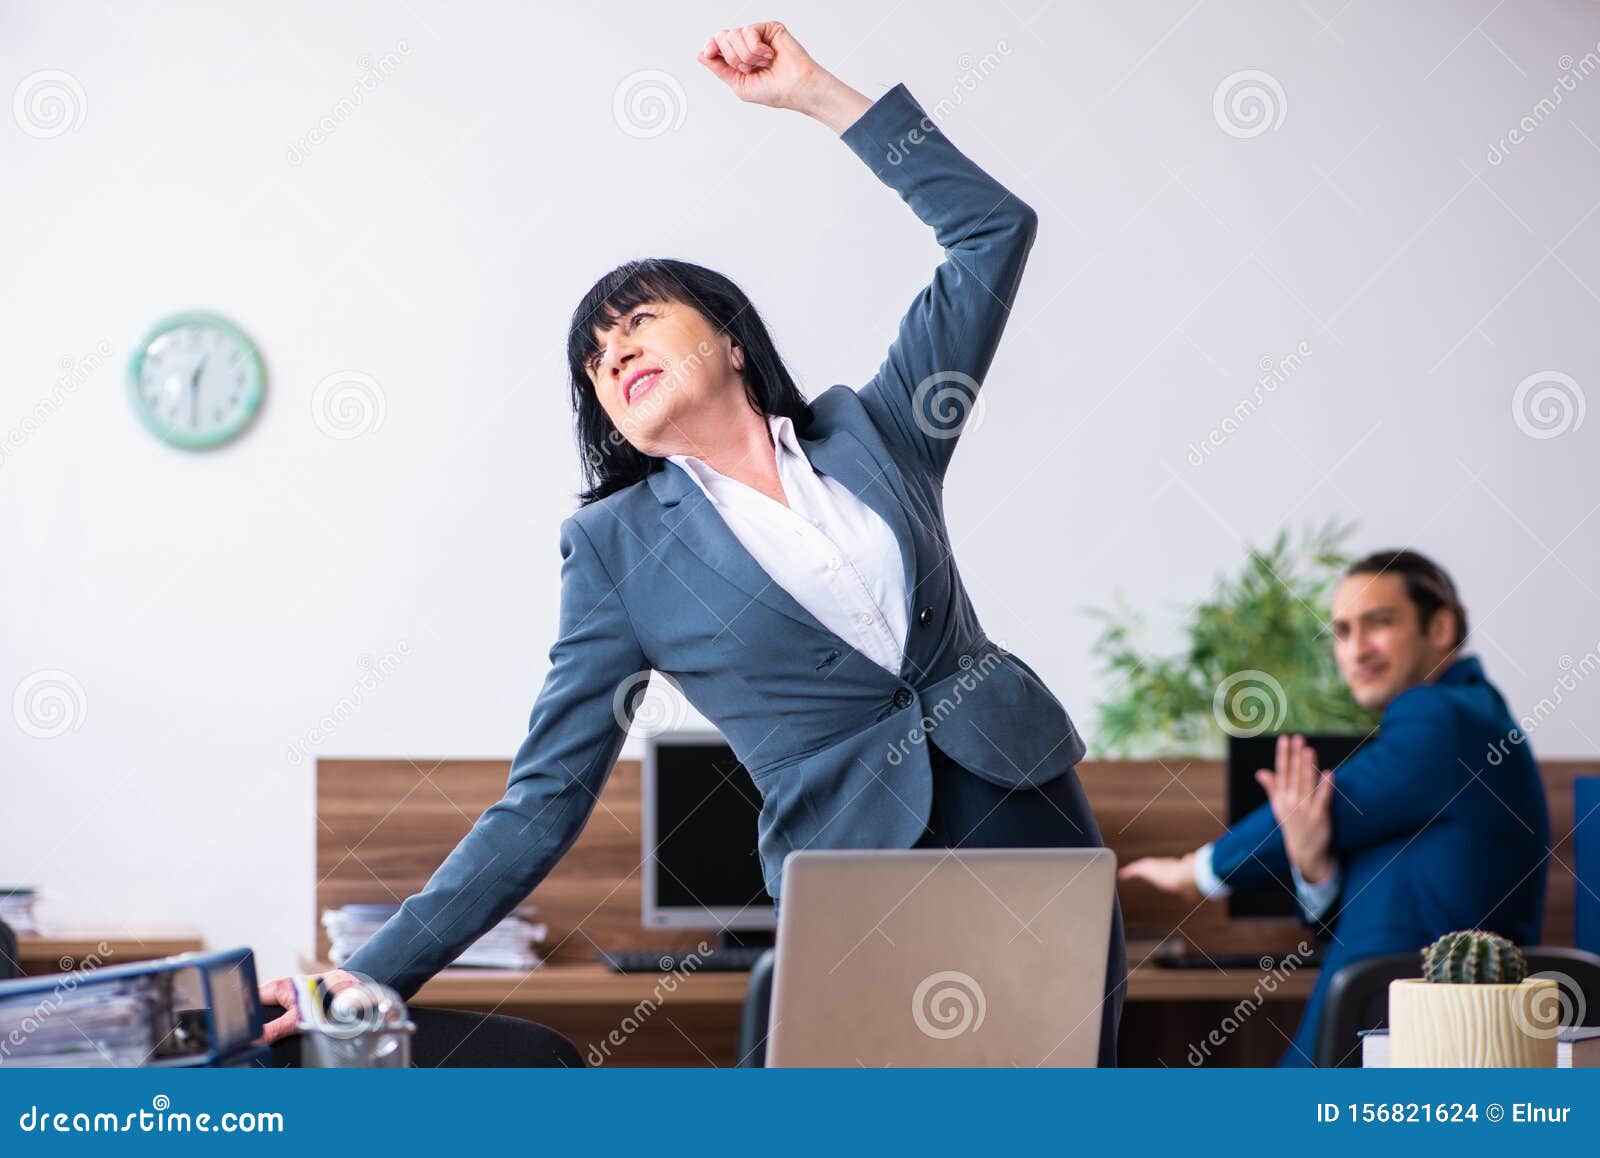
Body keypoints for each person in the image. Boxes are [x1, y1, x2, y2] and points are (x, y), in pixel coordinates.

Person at [261, 21, 1126, 1066]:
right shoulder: (615, 550)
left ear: (728, 337)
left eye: (636, 320)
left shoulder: (879, 431)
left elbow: (992, 232)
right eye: (594, 358)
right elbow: (545, 798)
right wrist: (372, 972)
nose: (612, 350)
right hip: (854, 867)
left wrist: (816, 95)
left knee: (1069, 1096)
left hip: (1024, 810)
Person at [1120, 550, 1550, 1066]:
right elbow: (1399, 893)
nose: (1355, 649)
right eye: (1342, 631)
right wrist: (1314, 868)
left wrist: (1195, 871)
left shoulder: (1440, 715)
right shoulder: (1475, 716)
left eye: (1378, 623)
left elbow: (1328, 802)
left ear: (1440, 627)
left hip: (1409, 1056)